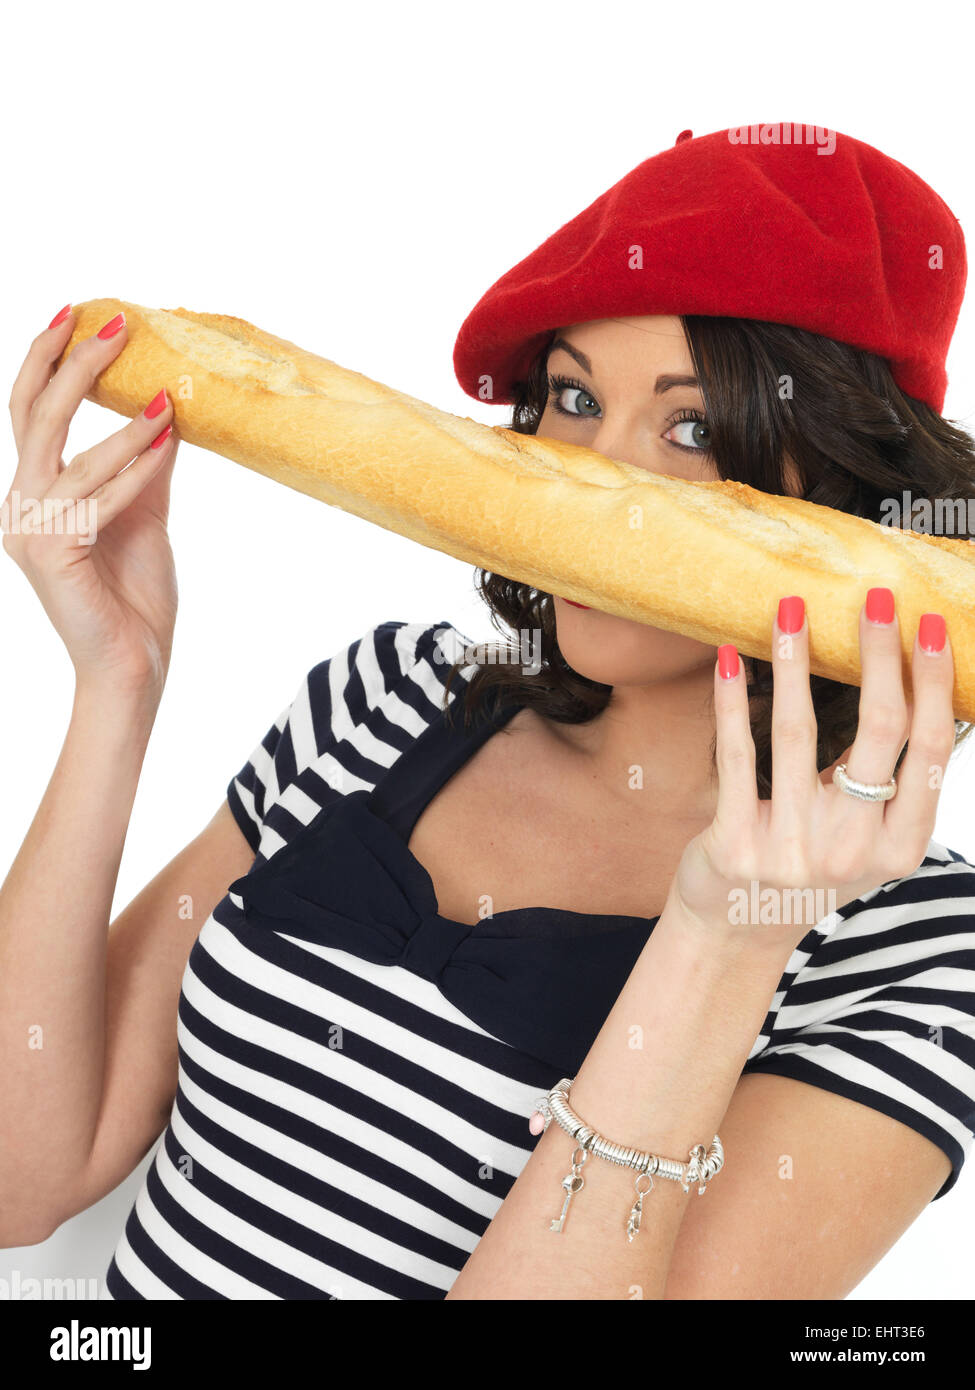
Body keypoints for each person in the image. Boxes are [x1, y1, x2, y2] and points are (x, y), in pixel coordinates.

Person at [2, 124, 974, 1301]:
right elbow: (23, 1178)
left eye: (692, 428)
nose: (590, 474)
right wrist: (116, 684)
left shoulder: (913, 948)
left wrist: (727, 936)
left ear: (851, 500)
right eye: (572, 397)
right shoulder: (389, 696)